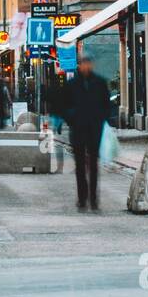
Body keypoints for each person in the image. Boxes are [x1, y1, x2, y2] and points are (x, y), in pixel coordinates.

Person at [63, 56, 111, 211]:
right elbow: (64, 105)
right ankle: (82, 198)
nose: (86, 67)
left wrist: (103, 120)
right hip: (77, 129)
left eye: (88, 64)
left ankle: (94, 198)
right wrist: (72, 118)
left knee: (94, 165)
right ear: (80, 66)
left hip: (94, 128)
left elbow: (106, 105)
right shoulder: (72, 84)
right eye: (84, 64)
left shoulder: (100, 83)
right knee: (80, 166)